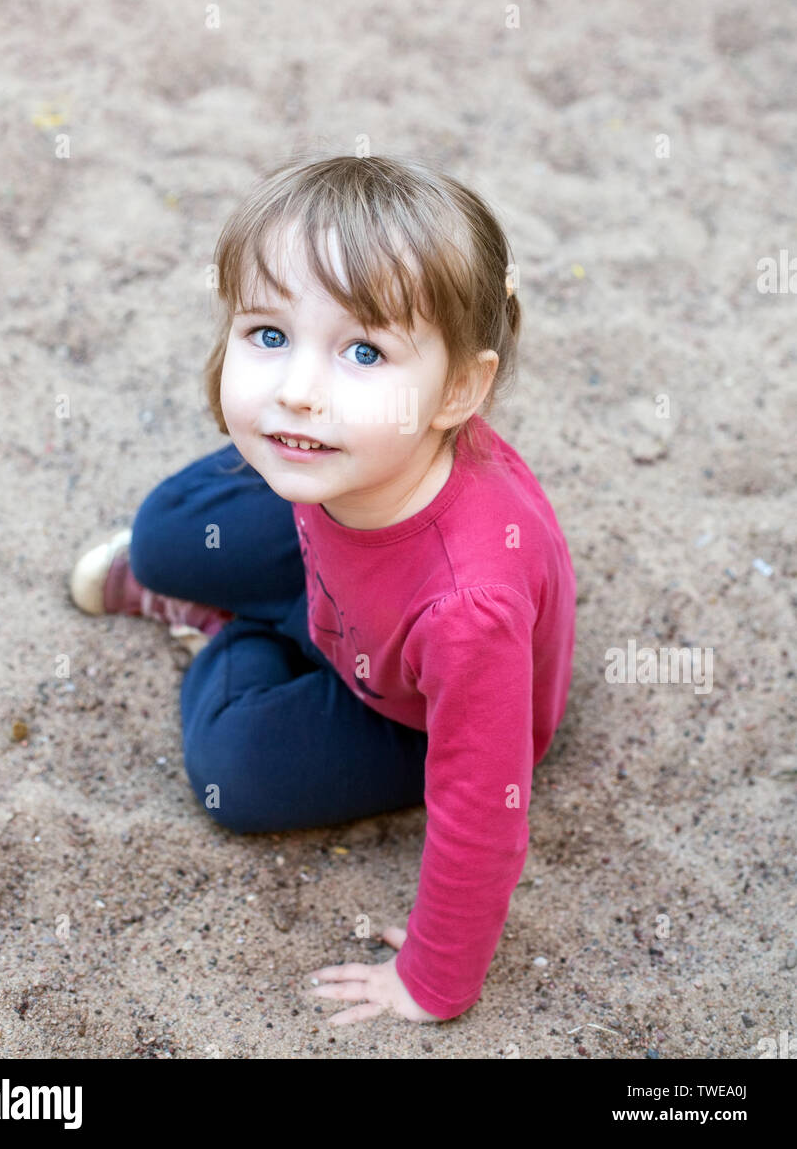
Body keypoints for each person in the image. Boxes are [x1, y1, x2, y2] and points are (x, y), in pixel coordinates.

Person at [69, 152, 576, 1024]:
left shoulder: (470, 612)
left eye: (364, 351)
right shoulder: (347, 440)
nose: (299, 391)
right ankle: (242, 601)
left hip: (404, 700)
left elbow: (481, 812)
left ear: (459, 389)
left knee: (239, 772)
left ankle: (233, 630)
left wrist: (432, 980)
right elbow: (290, 411)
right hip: (336, 566)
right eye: (267, 336)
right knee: (162, 538)